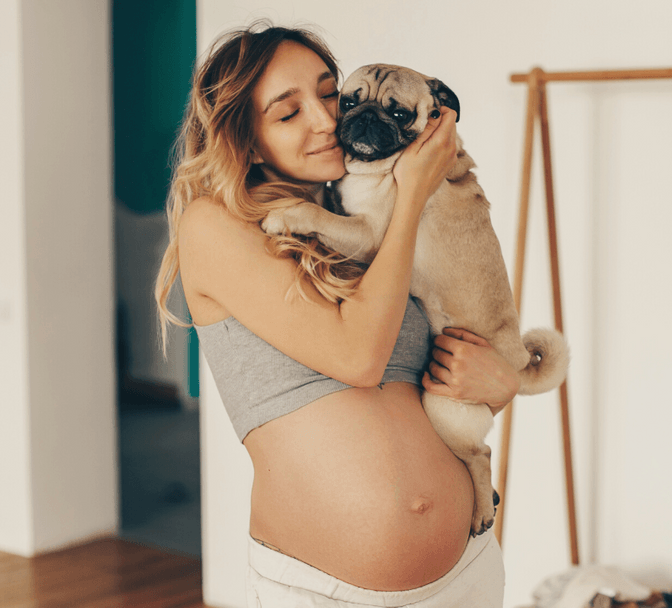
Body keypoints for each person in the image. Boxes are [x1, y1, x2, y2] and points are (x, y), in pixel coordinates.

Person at [154, 21, 518, 607]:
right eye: (287, 111)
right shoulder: (215, 226)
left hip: (467, 571)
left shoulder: (355, 214)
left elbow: (433, 377)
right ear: (244, 137)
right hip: (326, 591)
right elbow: (358, 359)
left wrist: (500, 383)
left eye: (329, 93)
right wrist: (411, 197)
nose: (326, 120)